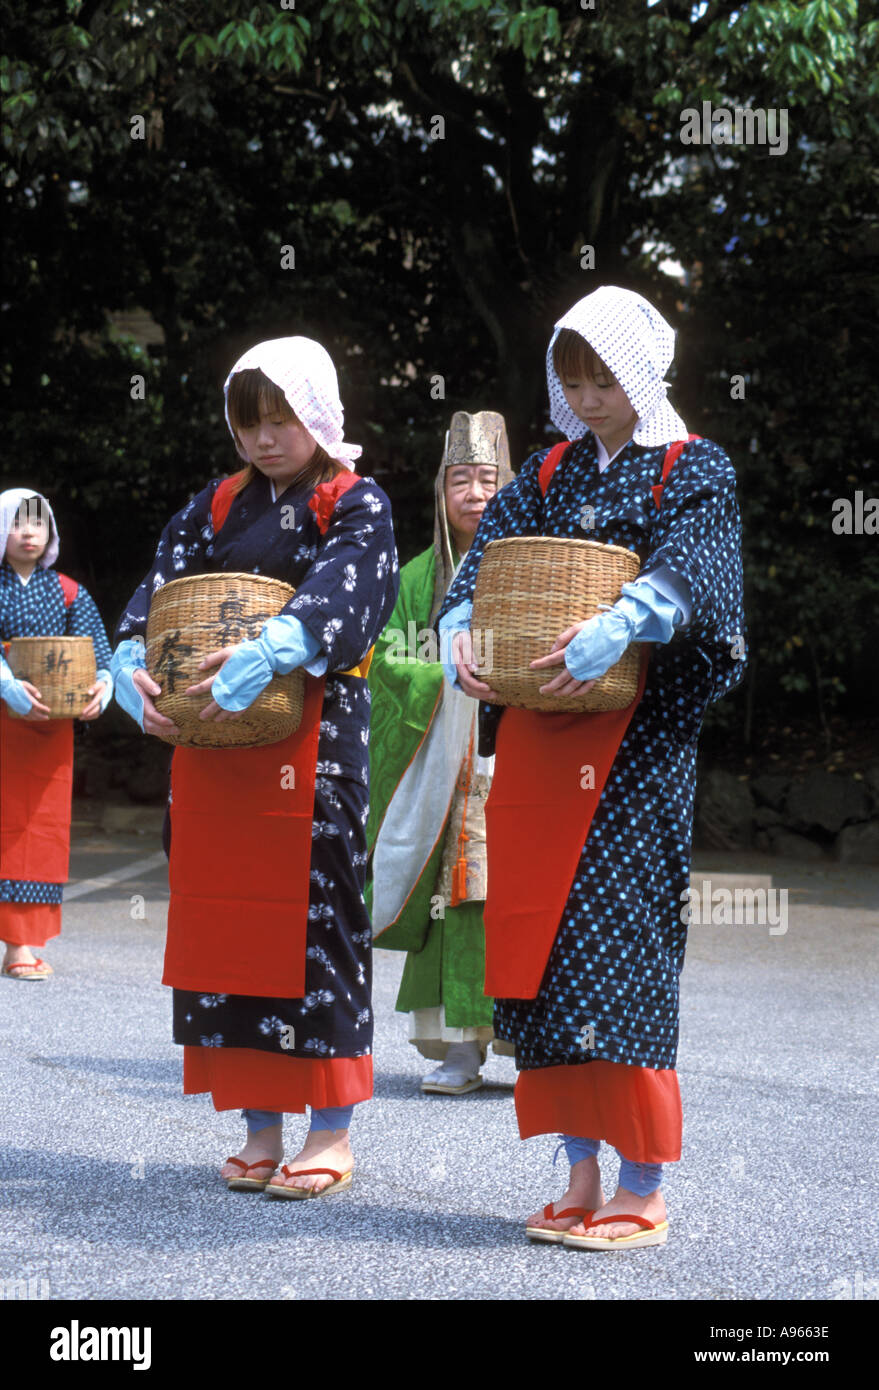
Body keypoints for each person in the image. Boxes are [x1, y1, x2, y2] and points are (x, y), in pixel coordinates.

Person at [438, 286, 746, 1249]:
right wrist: (457, 633)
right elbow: (480, 563)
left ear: (645, 371)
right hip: (537, 726)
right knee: (540, 954)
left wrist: (620, 620)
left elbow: (693, 573)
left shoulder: (690, 468)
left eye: (603, 375)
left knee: (624, 953)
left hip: (634, 744)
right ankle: (577, 1168)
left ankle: (644, 1182)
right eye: (571, 376)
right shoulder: (545, 472)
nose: (587, 393)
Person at [111, 337, 398, 1197]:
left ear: (318, 413)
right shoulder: (213, 507)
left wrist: (276, 648)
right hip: (212, 745)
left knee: (320, 919)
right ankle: (259, 1125)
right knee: (226, 925)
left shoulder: (355, 502)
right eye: (250, 422)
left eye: (282, 419)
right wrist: (129, 665)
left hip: (311, 735)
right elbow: (153, 601)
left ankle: (332, 1128)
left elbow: (349, 594)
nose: (266, 438)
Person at [367, 412, 516, 1093]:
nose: (475, 492)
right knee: (450, 896)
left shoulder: (528, 567)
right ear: (439, 490)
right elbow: (386, 660)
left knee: (512, 892)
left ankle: (525, 1037)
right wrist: (449, 683)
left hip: (512, 756)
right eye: (461, 479)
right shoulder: (416, 576)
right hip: (441, 763)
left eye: (488, 478)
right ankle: (459, 1049)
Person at [0, 489, 113, 980]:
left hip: (50, 729)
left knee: (37, 830)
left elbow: (100, 655)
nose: (29, 532)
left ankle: (21, 944)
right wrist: (5, 682)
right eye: (17, 522)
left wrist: (102, 689)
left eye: (39, 523)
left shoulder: (70, 592)